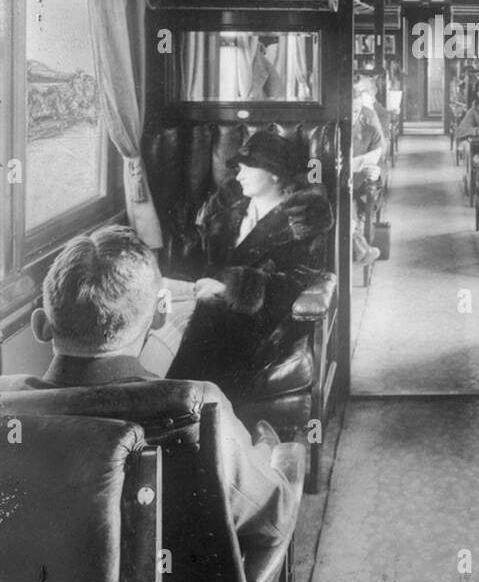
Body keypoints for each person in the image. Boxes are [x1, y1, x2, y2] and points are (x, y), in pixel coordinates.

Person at [22, 225, 299, 547]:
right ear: (159, 315)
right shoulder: (198, 406)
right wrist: (270, 452)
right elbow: (273, 518)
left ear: (41, 325)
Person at [167, 130, 334, 396]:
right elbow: (200, 263)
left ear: (274, 172)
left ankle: (188, 407)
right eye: (238, 168)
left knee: (208, 326)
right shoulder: (226, 211)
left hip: (262, 322)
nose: (239, 175)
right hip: (209, 305)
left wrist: (227, 291)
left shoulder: (304, 219)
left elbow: (294, 284)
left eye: (247, 168)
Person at [351, 76, 384, 265]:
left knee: (348, 199)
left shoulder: (371, 132)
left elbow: (381, 165)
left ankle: (360, 247)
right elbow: (313, 168)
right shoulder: (325, 134)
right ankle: (361, 248)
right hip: (329, 186)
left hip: (358, 188)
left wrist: (376, 173)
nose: (352, 116)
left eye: (356, 111)